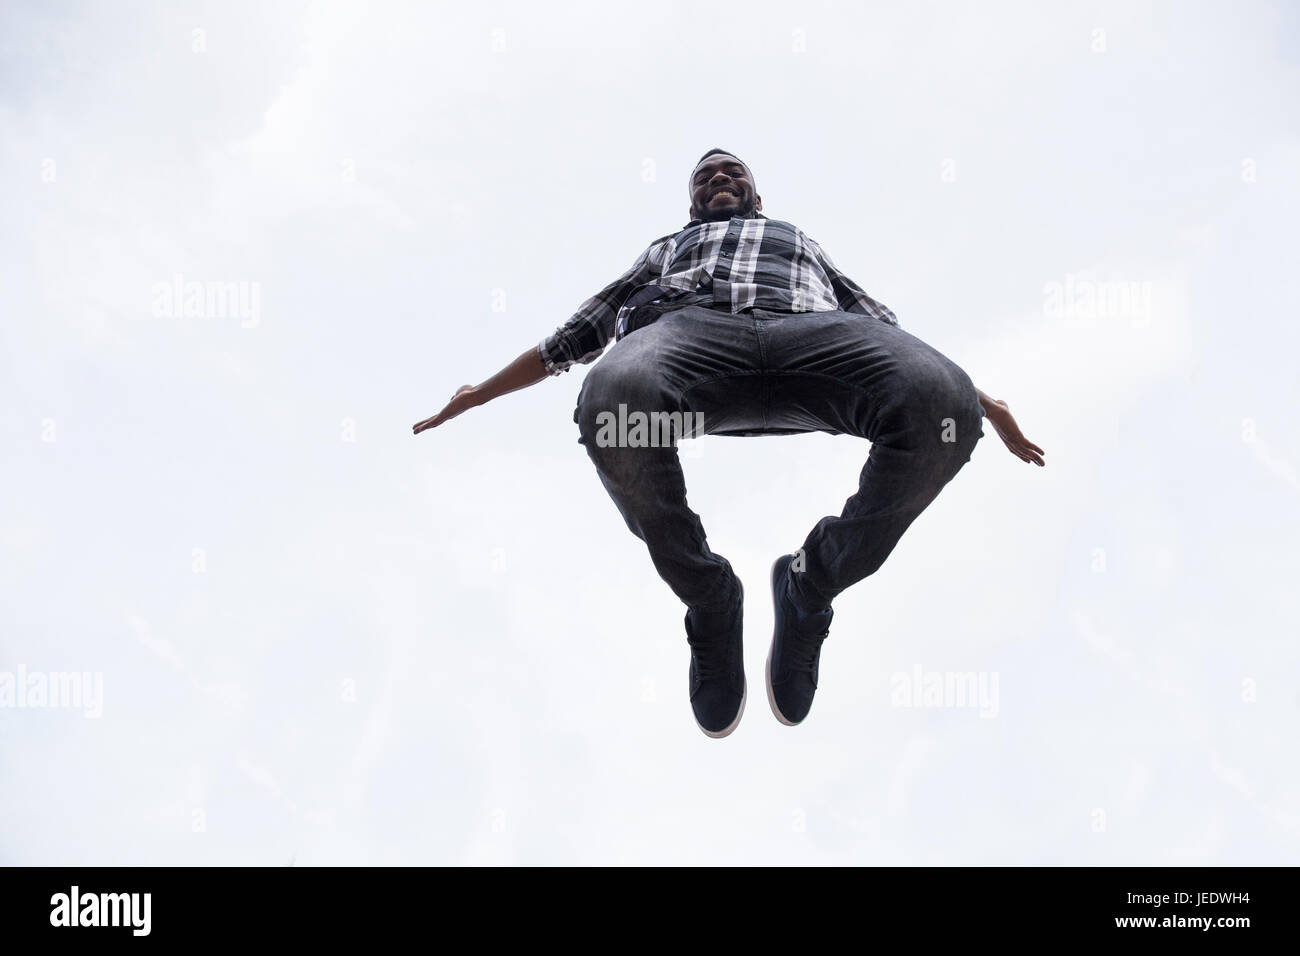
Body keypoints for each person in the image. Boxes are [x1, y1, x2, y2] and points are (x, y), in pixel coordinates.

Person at [413, 148, 1045, 739]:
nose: (718, 178)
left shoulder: (797, 240)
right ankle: (711, 598)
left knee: (943, 409)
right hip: (695, 350)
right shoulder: (667, 248)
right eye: (704, 177)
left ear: (755, 195)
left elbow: (883, 327)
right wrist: (480, 393)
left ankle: (809, 585)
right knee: (612, 401)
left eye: (731, 172)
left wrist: (979, 401)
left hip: (813, 344)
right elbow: (581, 331)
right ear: (693, 205)